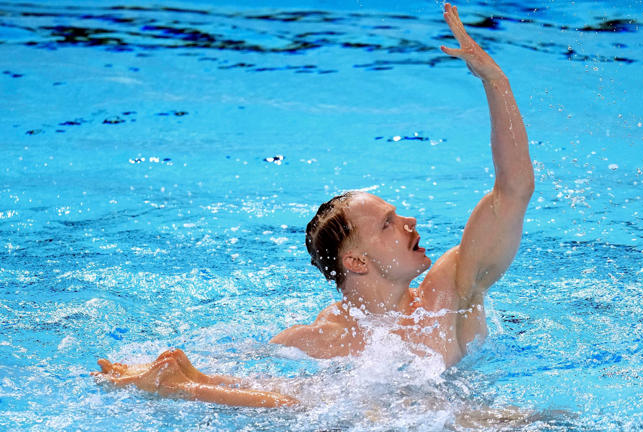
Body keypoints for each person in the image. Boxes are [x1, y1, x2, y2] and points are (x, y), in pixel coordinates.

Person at [93, 2, 533, 408]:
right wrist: (199, 375)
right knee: (319, 408)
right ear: (356, 261)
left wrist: (496, 82)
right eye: (387, 223)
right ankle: (182, 384)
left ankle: (182, 387)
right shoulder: (315, 340)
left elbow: (512, 192)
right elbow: (269, 388)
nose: (409, 221)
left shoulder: (449, 293)